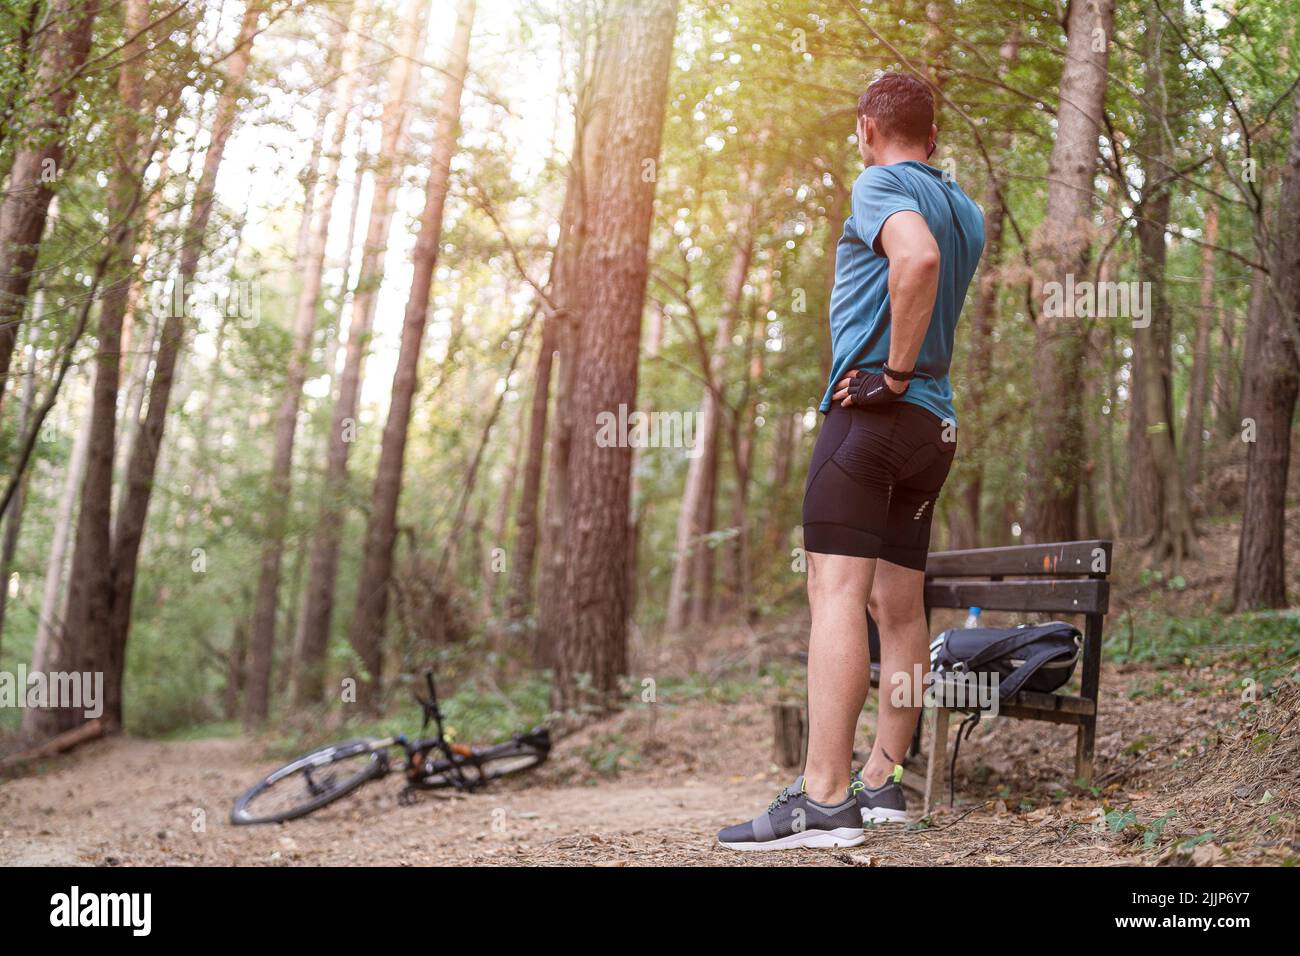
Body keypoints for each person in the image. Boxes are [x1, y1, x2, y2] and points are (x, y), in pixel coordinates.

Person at [718, 72, 985, 851]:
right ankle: (881, 782)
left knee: (835, 591)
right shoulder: (965, 206)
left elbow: (918, 262)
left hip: (873, 417)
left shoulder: (880, 185)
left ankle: (824, 799)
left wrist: (891, 373)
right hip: (933, 431)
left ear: (868, 128)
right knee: (900, 607)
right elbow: (936, 256)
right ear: (932, 137)